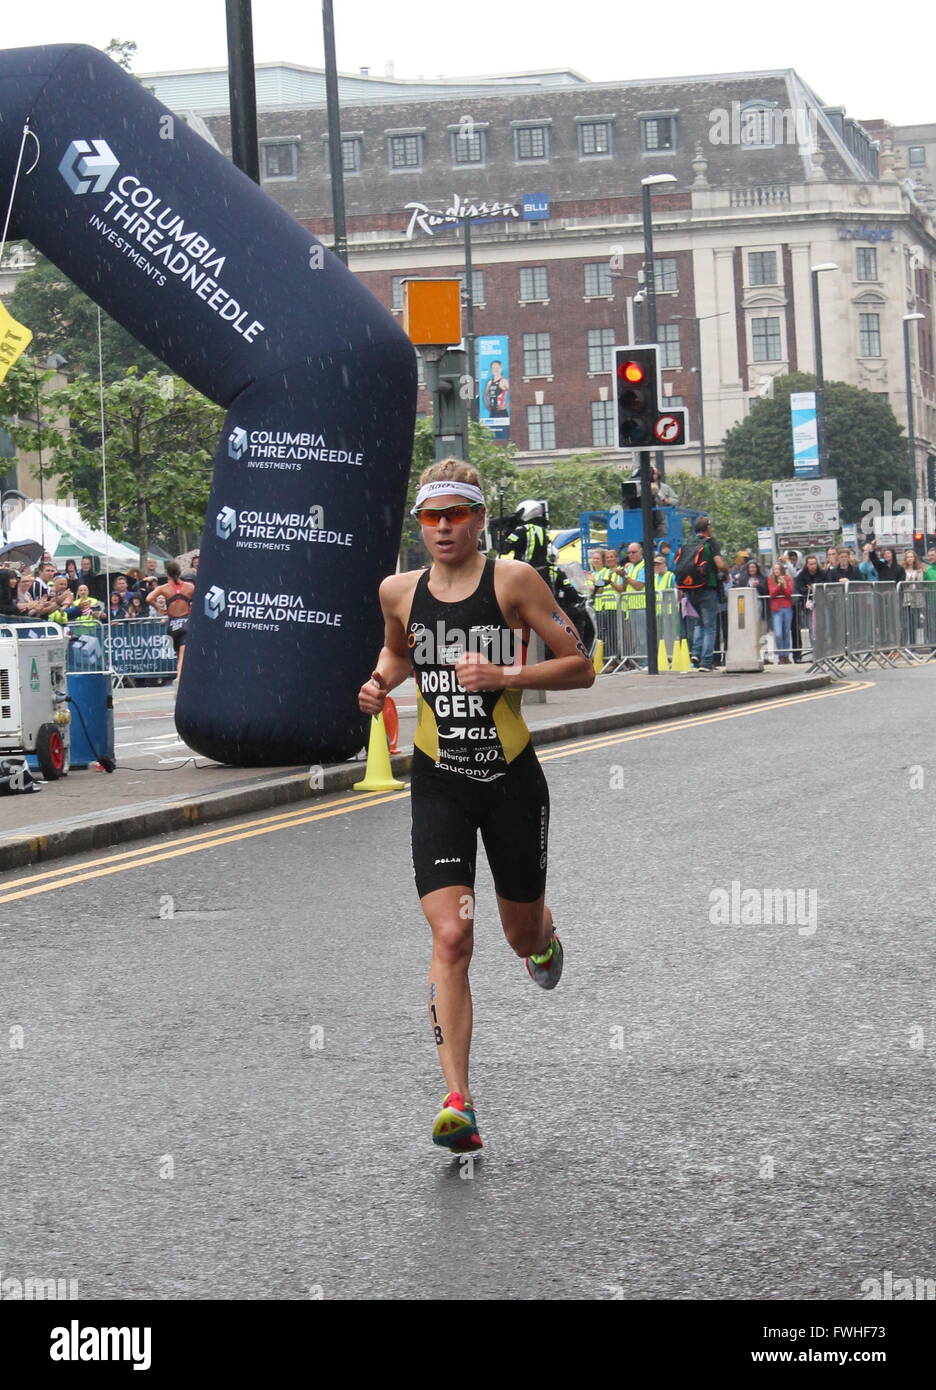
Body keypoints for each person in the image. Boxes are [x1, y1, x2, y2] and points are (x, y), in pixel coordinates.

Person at [358, 457, 593, 1154]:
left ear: (479, 519)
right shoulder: (398, 591)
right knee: (452, 937)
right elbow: (398, 656)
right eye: (430, 517)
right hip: (440, 783)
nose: (442, 528)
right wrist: (377, 683)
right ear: (420, 524)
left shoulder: (513, 582)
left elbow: (580, 663)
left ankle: (543, 938)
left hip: (511, 781)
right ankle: (458, 1099)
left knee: (518, 936)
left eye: (455, 514)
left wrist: (507, 673)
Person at [683, 515, 729, 672]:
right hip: (707, 588)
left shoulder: (688, 542)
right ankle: (706, 662)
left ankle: (695, 654)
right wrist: (726, 572)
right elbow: (719, 563)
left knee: (699, 623)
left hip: (691, 589)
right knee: (710, 626)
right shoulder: (710, 543)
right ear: (708, 528)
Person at [146, 560, 194, 677]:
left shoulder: (164, 588)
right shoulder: (189, 587)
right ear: (179, 573)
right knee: (183, 659)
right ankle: (179, 680)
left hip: (172, 626)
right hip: (186, 623)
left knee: (179, 657)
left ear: (168, 574)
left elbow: (148, 598)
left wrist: (158, 608)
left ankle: (181, 678)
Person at [502, 500, 549, 579]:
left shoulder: (522, 530)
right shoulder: (543, 530)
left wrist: (504, 533)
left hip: (525, 572)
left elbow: (505, 548)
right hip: (542, 572)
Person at [767, 561, 794, 662]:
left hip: (787, 607)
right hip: (776, 608)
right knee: (778, 633)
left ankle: (786, 656)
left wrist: (785, 584)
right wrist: (779, 585)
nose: (776, 571)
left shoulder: (787, 578)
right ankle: (781, 655)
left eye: (778, 569)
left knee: (786, 632)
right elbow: (772, 593)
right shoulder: (770, 579)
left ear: (781, 570)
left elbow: (788, 593)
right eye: (774, 569)